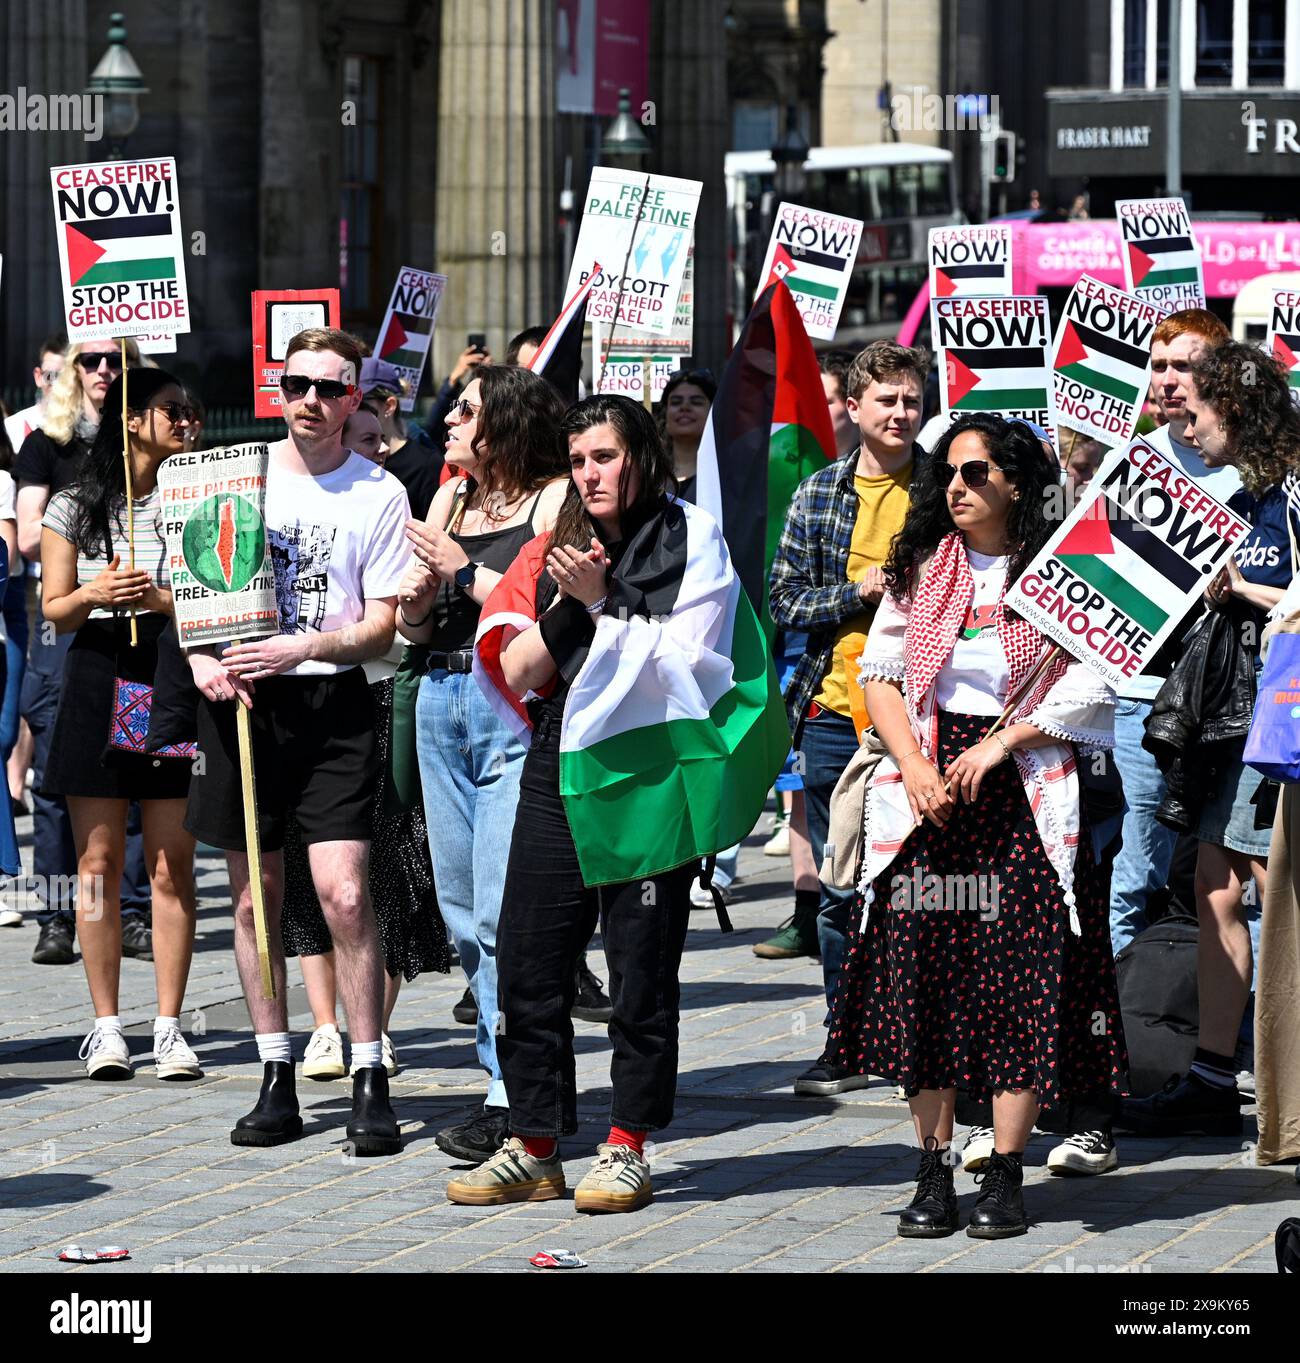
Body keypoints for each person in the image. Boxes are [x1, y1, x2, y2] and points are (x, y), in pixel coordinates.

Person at [446, 394, 784, 1212]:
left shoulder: (691, 537)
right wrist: (580, 602)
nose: (589, 475)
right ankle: (532, 1142)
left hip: (648, 772)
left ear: (636, 454)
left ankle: (627, 1141)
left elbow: (692, 664)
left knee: (639, 966)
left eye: (603, 457)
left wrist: (603, 606)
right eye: (577, 462)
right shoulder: (560, 545)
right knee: (527, 957)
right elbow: (523, 669)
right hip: (561, 763)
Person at [824, 413, 1124, 1238]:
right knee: (927, 979)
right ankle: (932, 1168)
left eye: (978, 472)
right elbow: (880, 676)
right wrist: (916, 768)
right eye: (950, 473)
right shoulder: (922, 568)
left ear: (1018, 483)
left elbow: (1092, 687)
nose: (957, 486)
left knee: (1018, 982)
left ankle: (1005, 1172)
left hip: (1020, 794)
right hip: (930, 797)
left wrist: (1001, 743)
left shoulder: (1064, 573)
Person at [184, 327, 412, 1155]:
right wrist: (203, 656)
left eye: (331, 387)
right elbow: (191, 587)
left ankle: (369, 1071)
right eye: (298, 383)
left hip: (332, 704)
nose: (312, 399)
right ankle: (275, 1071)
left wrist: (304, 646)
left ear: (357, 399)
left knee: (345, 894)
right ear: (277, 390)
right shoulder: (233, 476)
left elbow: (385, 622)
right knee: (254, 897)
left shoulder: (378, 492)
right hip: (243, 707)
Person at [1119, 340, 1300, 1138]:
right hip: (1240, 720)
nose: (1184, 427)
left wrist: (1241, 588)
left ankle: (1284, 1075)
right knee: (1214, 888)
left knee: (1278, 890)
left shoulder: (1295, 486)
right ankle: (1210, 1077)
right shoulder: (1259, 492)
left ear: (1237, 409)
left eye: (1195, 412)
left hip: (1282, 725)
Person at [396, 363, 569, 1165]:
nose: (451, 422)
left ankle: (514, 1095)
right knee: (462, 907)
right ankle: (507, 1075)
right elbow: (416, 621)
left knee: (507, 909)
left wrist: (461, 567)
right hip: (441, 692)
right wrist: (418, 591)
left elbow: (545, 610)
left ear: (502, 423)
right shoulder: (453, 495)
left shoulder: (552, 501)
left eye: (465, 410)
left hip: (508, 702)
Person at [767, 340, 925, 1088]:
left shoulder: (947, 487)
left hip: (928, 717)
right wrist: (856, 593)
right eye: (886, 400)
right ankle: (848, 1037)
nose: (901, 412)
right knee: (839, 889)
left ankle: (920, 1038)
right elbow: (783, 599)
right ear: (854, 408)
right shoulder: (818, 493)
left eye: (912, 399)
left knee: (921, 888)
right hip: (837, 717)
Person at [39, 368, 202, 1082]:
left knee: (171, 862)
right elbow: (54, 607)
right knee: (98, 864)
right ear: (133, 419)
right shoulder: (76, 502)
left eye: (191, 411)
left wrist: (166, 600)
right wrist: (96, 590)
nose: (187, 420)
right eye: (172, 409)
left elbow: (219, 596)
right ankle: (106, 1026)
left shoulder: (197, 496)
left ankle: (169, 1026)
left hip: (164, 672)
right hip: (102, 670)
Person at [287, 406, 449, 1082]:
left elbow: (413, 627)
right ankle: (324, 1027)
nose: (372, 451)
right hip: (309, 704)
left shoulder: (398, 515)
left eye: (379, 441)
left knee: (381, 876)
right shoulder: (295, 509)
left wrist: (409, 602)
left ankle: (371, 1029)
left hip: (384, 704)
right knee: (308, 877)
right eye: (361, 439)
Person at [16, 338, 150, 967]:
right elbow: (28, 540)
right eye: (91, 361)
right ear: (72, 371)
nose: (104, 370)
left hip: (139, 641)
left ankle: (130, 911)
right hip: (69, 633)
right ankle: (54, 913)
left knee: (136, 768)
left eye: (116, 361)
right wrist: (88, 573)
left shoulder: (151, 443)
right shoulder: (49, 442)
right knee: (54, 772)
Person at [1108, 311, 1238, 959]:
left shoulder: (1252, 466)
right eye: (1158, 366)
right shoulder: (1132, 462)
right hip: (1142, 694)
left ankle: (1242, 1023)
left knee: (1235, 866)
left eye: (1182, 366)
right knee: (1141, 861)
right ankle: (1124, 1018)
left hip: (1229, 701)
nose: (1166, 379)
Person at [359, 358, 445, 518]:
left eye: (361, 401)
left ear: (389, 406)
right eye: (348, 399)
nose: (351, 407)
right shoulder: (344, 456)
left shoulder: (427, 465)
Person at [657, 368, 716, 505]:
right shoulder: (648, 477)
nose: (685, 407)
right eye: (676, 402)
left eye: (696, 402)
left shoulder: (728, 476)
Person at [3, 333, 66, 453]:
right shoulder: (11, 428)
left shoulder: (87, 431)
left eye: (66, 378)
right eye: (50, 376)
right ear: (38, 377)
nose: (58, 385)